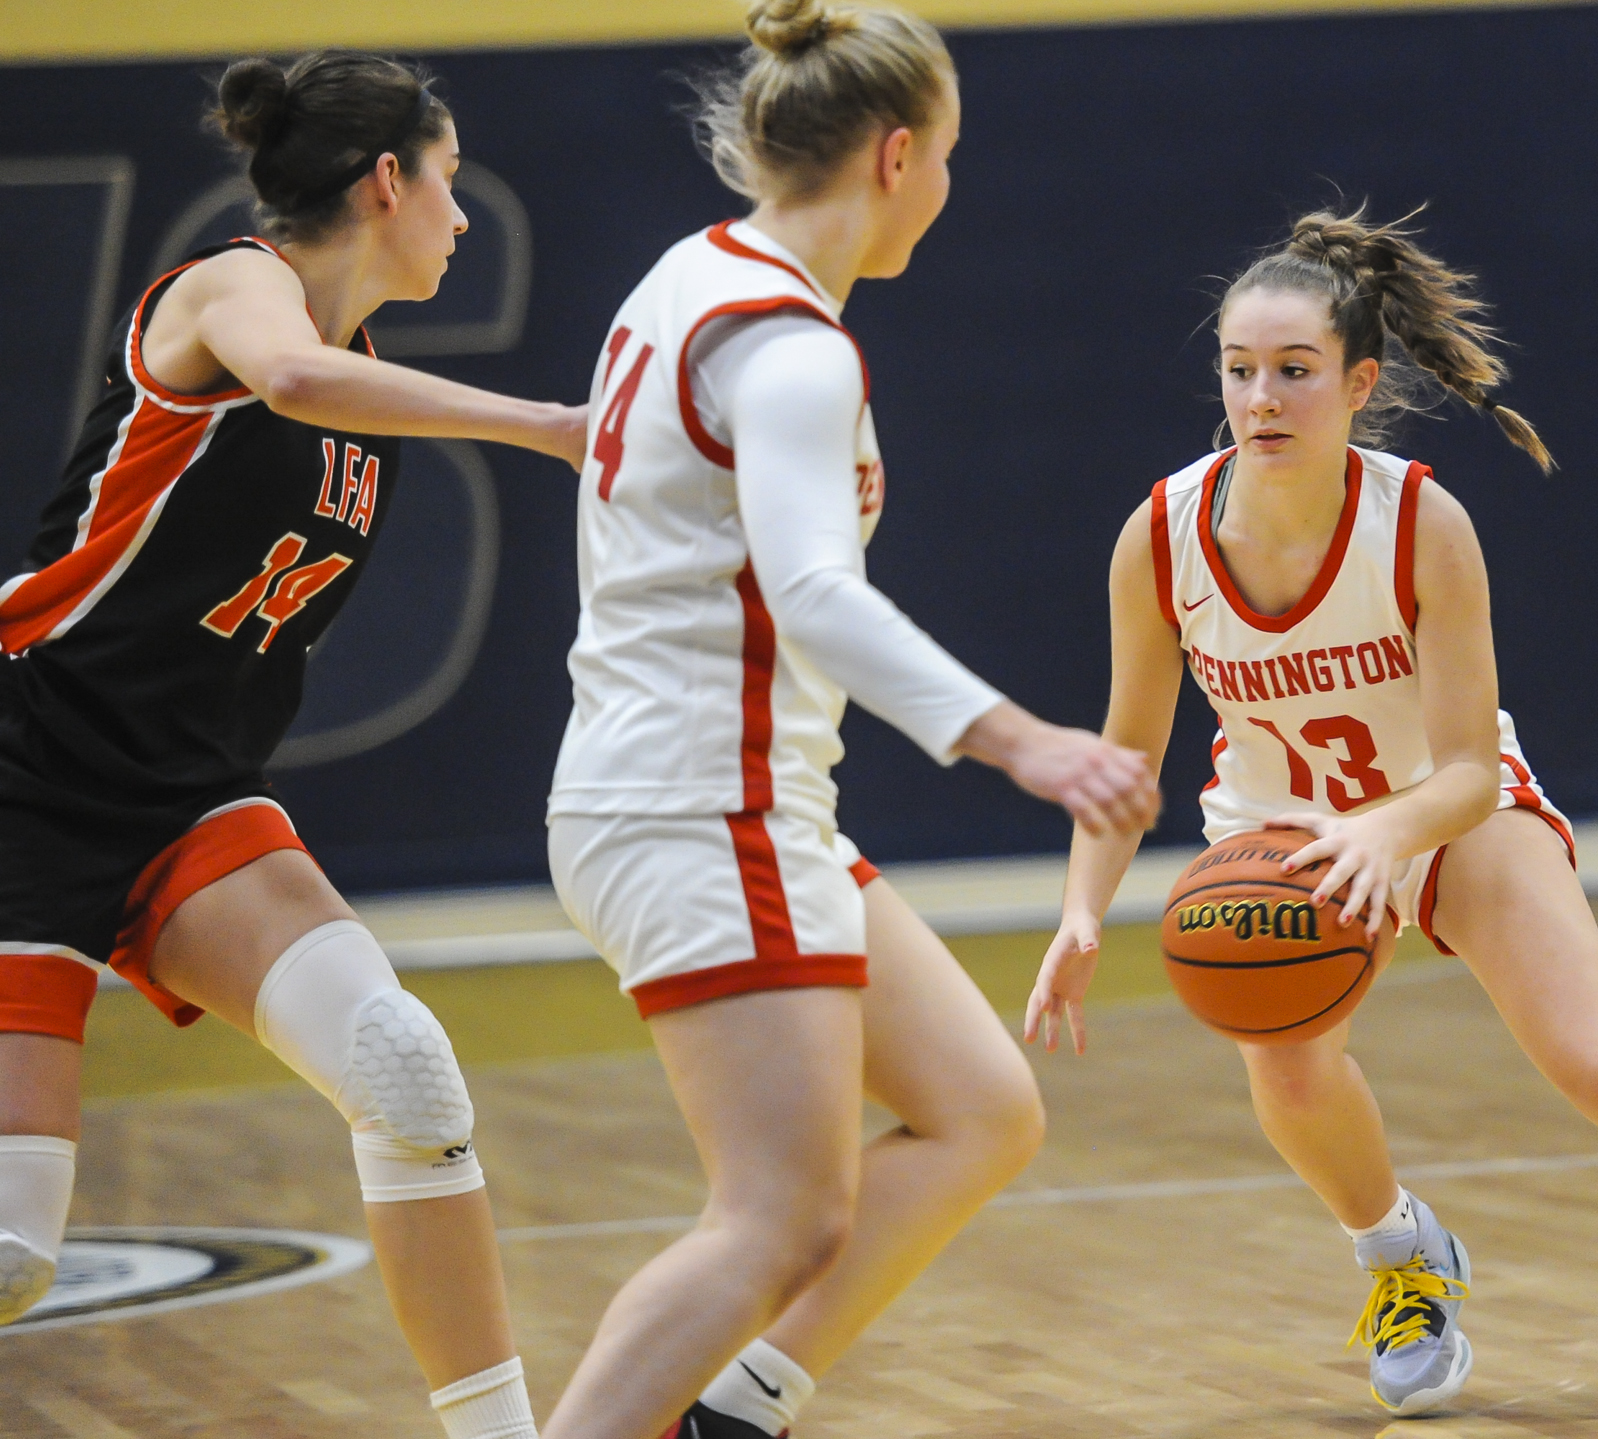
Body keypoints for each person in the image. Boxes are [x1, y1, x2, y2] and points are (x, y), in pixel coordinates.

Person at [1024, 205, 1598, 1419]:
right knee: (1292, 1078)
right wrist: (1082, 910)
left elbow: (1463, 765)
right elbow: (1126, 753)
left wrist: (1389, 832)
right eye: (1239, 370)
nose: (1262, 398)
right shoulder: (1162, 534)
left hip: (1450, 816)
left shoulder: (1420, 522)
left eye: (1294, 371)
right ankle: (1403, 1254)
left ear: (1357, 381)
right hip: (1278, 830)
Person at [540, 4, 1159, 1437]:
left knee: (980, 1106)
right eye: (946, 154)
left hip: (715, 794)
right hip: (705, 803)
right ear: (895, 155)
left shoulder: (689, 270)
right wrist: (1023, 738)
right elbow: (812, 587)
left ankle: (734, 1408)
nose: (948, 184)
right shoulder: (797, 351)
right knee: (775, 1217)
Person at [0, 51, 584, 1439]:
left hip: (180, 805)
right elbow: (290, 375)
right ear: (387, 179)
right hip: (21, 774)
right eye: (447, 181)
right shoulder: (231, 291)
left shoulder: (364, 380)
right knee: (14, 1249)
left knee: (400, 1064)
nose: (457, 214)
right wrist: (549, 426)